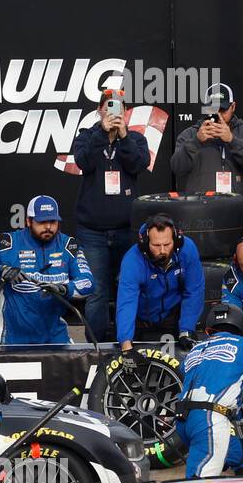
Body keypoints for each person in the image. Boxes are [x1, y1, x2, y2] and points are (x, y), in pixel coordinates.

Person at [72, 88, 151, 342]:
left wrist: (124, 137)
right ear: (100, 110)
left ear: (126, 112)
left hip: (126, 230)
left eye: (118, 108)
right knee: (96, 292)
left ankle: (126, 341)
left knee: (128, 288)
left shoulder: (136, 139)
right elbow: (83, 162)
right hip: (92, 231)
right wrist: (101, 133)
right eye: (109, 107)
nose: (113, 113)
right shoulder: (87, 135)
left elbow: (138, 164)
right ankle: (95, 348)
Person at [0, 194, 93, 344]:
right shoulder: (7, 243)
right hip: (7, 337)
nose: (48, 227)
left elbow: (88, 283)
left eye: (53, 221)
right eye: (42, 222)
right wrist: (0, 270)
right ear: (28, 221)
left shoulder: (69, 246)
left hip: (53, 336)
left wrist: (65, 288)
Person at [173, 303, 243, 478]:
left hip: (183, 421)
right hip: (208, 421)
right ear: (242, 326)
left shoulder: (194, 350)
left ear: (209, 328)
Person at [115, 213, 206, 353]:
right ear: (145, 243)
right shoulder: (132, 260)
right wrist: (126, 346)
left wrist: (186, 330)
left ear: (176, 240)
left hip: (173, 315)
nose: (162, 251)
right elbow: (126, 303)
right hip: (141, 320)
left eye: (167, 244)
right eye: (156, 245)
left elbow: (194, 290)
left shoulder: (187, 249)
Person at [169, 82, 243, 206]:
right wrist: (196, 141)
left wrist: (232, 140)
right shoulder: (190, 134)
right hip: (200, 210)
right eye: (213, 109)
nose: (218, 114)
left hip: (238, 209)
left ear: (233, 107)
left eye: (223, 109)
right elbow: (177, 167)